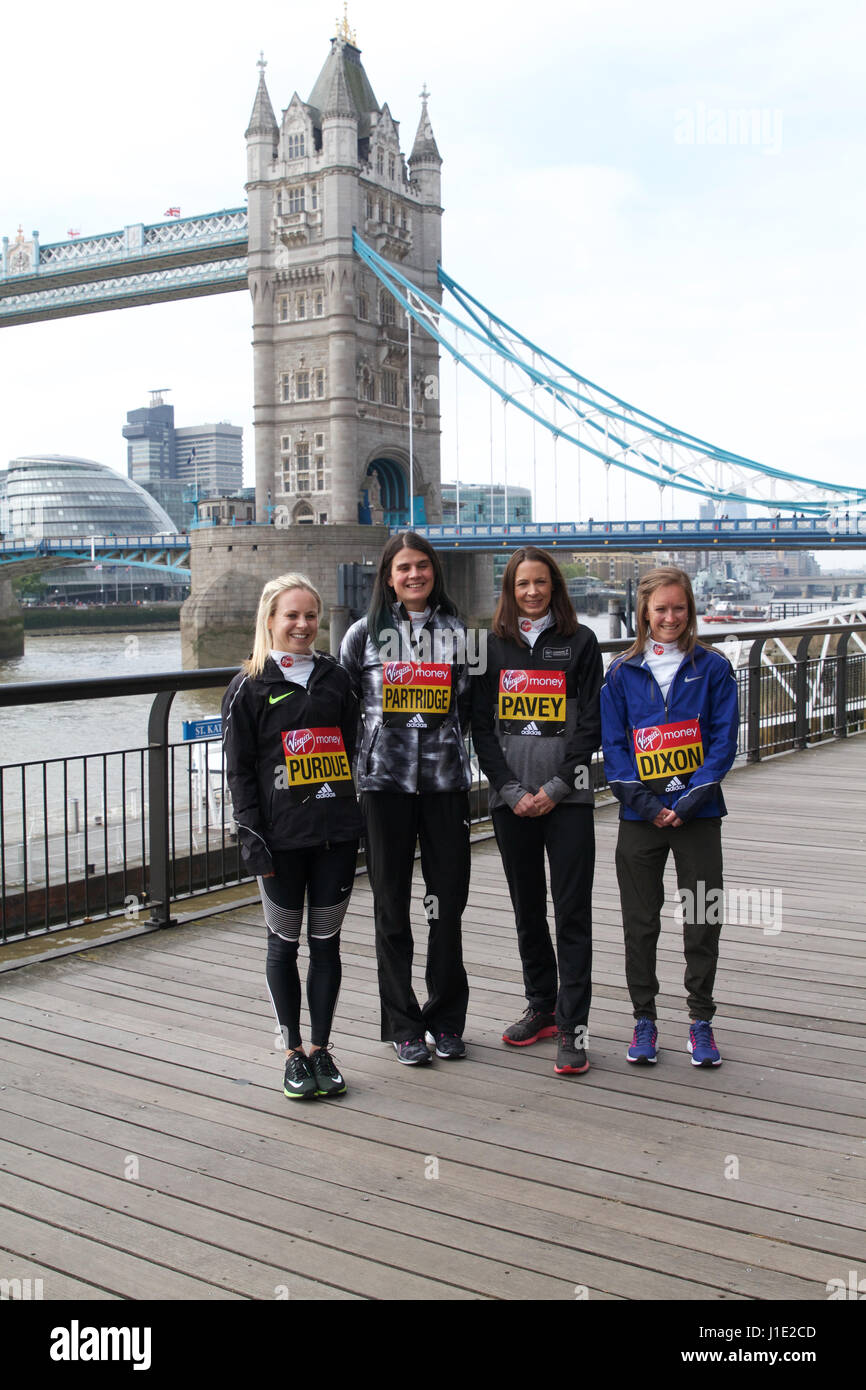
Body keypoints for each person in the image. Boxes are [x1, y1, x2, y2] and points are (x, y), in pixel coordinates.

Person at [222, 573, 362, 1100]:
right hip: (279, 842)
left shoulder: (336, 677)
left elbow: (350, 748)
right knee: (284, 945)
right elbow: (239, 773)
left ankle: (322, 1050)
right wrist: (253, 841)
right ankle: (292, 1054)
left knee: (326, 944)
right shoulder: (248, 686)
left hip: (336, 836)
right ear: (271, 620)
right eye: (291, 616)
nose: (302, 625)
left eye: (310, 616)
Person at [340, 531, 471, 1065]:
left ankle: (446, 1020)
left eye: (422, 566)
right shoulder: (360, 635)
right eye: (403, 568)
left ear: (433, 572)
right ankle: (403, 1024)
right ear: (388, 577)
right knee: (391, 907)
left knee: (448, 905)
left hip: (444, 785)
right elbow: (345, 707)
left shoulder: (459, 634)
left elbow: (470, 703)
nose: (414, 575)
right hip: (384, 787)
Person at [600, 566, 739, 1067]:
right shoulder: (619, 673)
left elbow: (724, 742)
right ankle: (645, 1019)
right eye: (661, 608)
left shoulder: (715, 668)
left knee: (703, 917)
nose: (670, 617)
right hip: (641, 819)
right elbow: (613, 748)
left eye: (679, 608)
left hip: (699, 815)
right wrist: (649, 805)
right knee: (641, 922)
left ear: (691, 611)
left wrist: (686, 802)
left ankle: (700, 1020)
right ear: (644, 613)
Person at [471, 547, 603, 1075]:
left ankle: (574, 1028)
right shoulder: (489, 647)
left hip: (566, 800)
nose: (531, 592)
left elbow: (590, 727)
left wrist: (553, 786)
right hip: (512, 803)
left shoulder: (581, 642)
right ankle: (542, 1008)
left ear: (555, 587)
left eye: (541, 582)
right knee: (528, 908)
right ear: (510, 589)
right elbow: (480, 726)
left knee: (572, 913)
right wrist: (508, 790)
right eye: (522, 583)